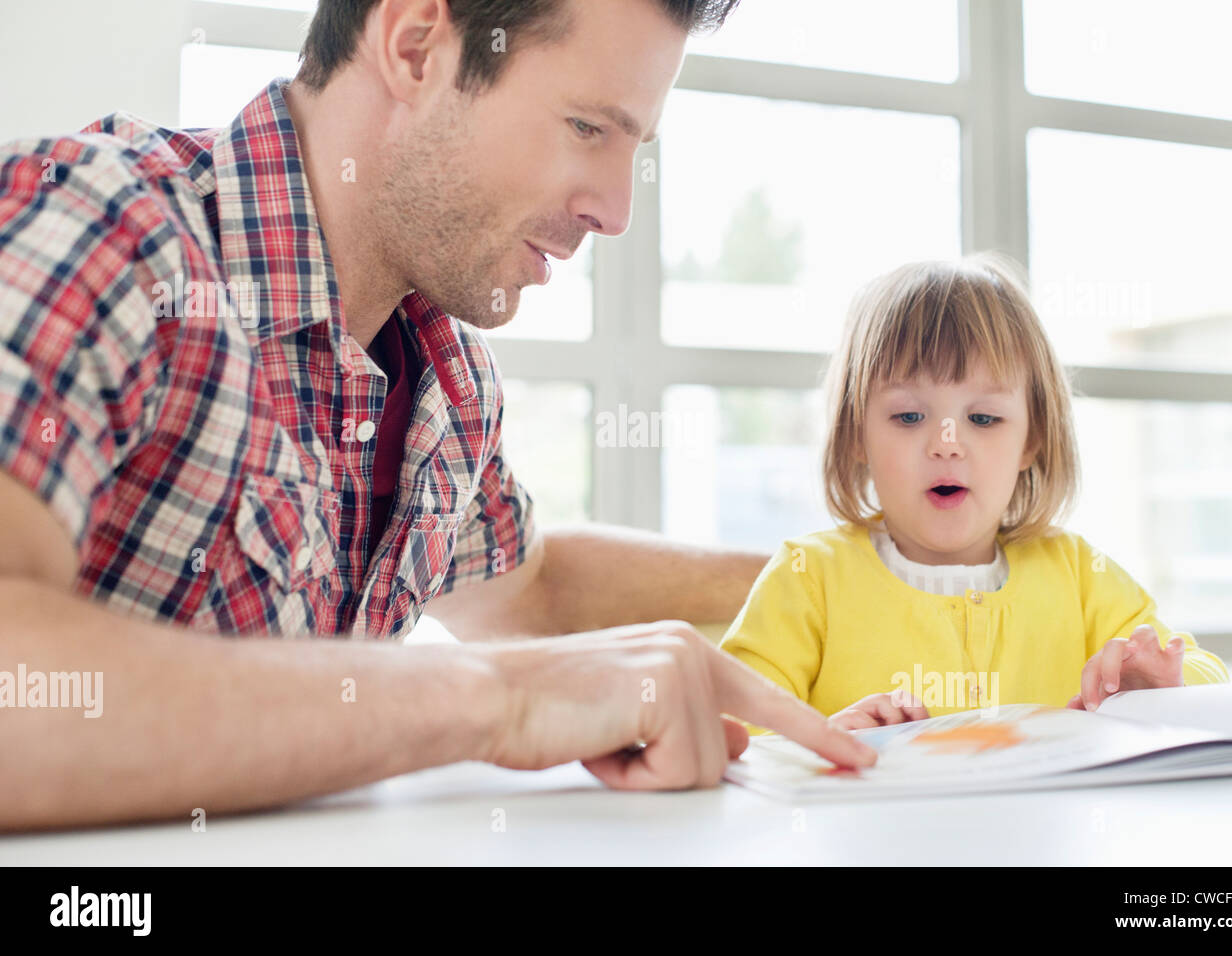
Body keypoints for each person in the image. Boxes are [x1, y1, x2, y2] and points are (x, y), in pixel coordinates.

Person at [0, 0, 876, 831]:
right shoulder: (102, 232)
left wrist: (847, 577)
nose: (615, 210)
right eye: (586, 127)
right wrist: (495, 698)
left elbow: (532, 587)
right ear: (416, 46)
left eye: (632, 144)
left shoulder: (447, 383)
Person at [719, 253, 1229, 732]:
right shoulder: (808, 581)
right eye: (909, 416)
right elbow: (726, 730)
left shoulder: (1078, 577)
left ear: (1031, 440)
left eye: (983, 418)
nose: (947, 445)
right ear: (857, 433)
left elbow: (1206, 677)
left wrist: (1163, 686)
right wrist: (816, 743)